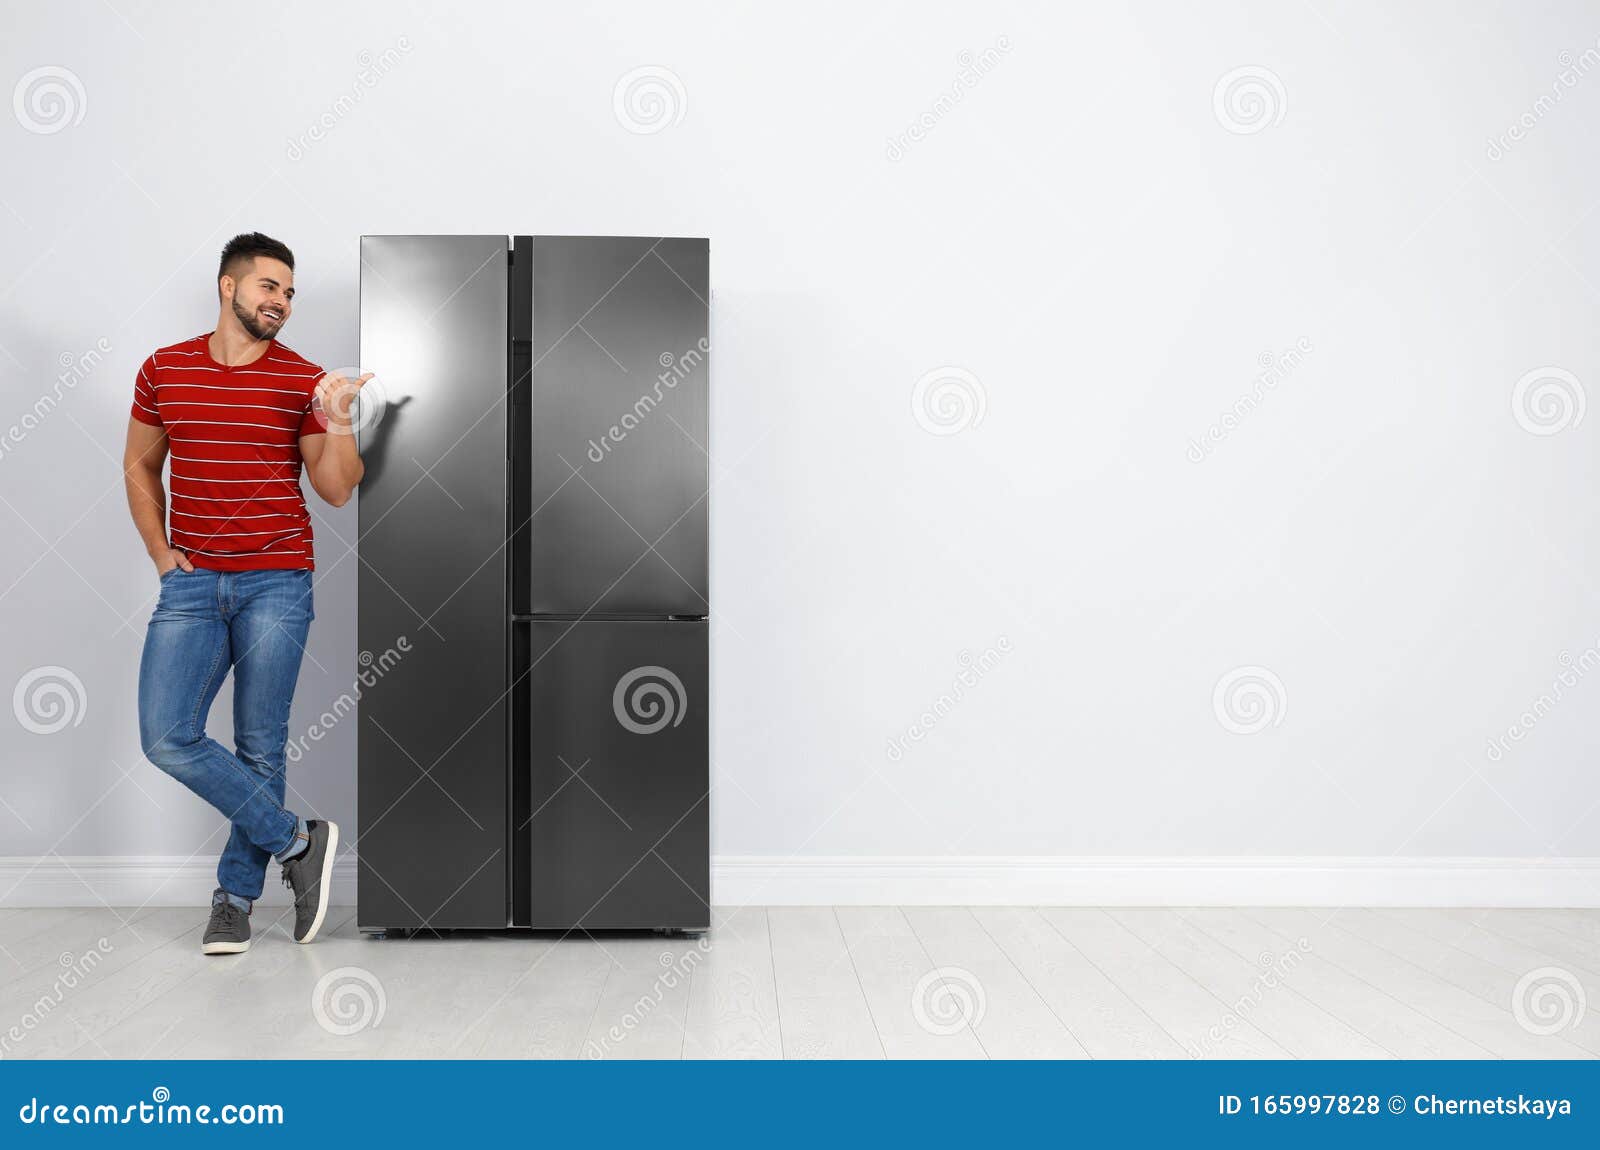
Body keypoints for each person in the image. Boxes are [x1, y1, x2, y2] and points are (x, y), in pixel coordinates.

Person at [123, 232, 370, 955]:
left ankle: (234, 899)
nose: (282, 303)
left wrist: (340, 418)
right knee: (168, 736)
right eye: (270, 287)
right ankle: (300, 844)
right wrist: (164, 558)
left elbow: (334, 490)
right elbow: (140, 469)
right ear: (228, 287)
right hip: (192, 585)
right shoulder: (163, 369)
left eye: (290, 292)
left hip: (277, 578)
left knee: (261, 744)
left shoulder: (304, 381)